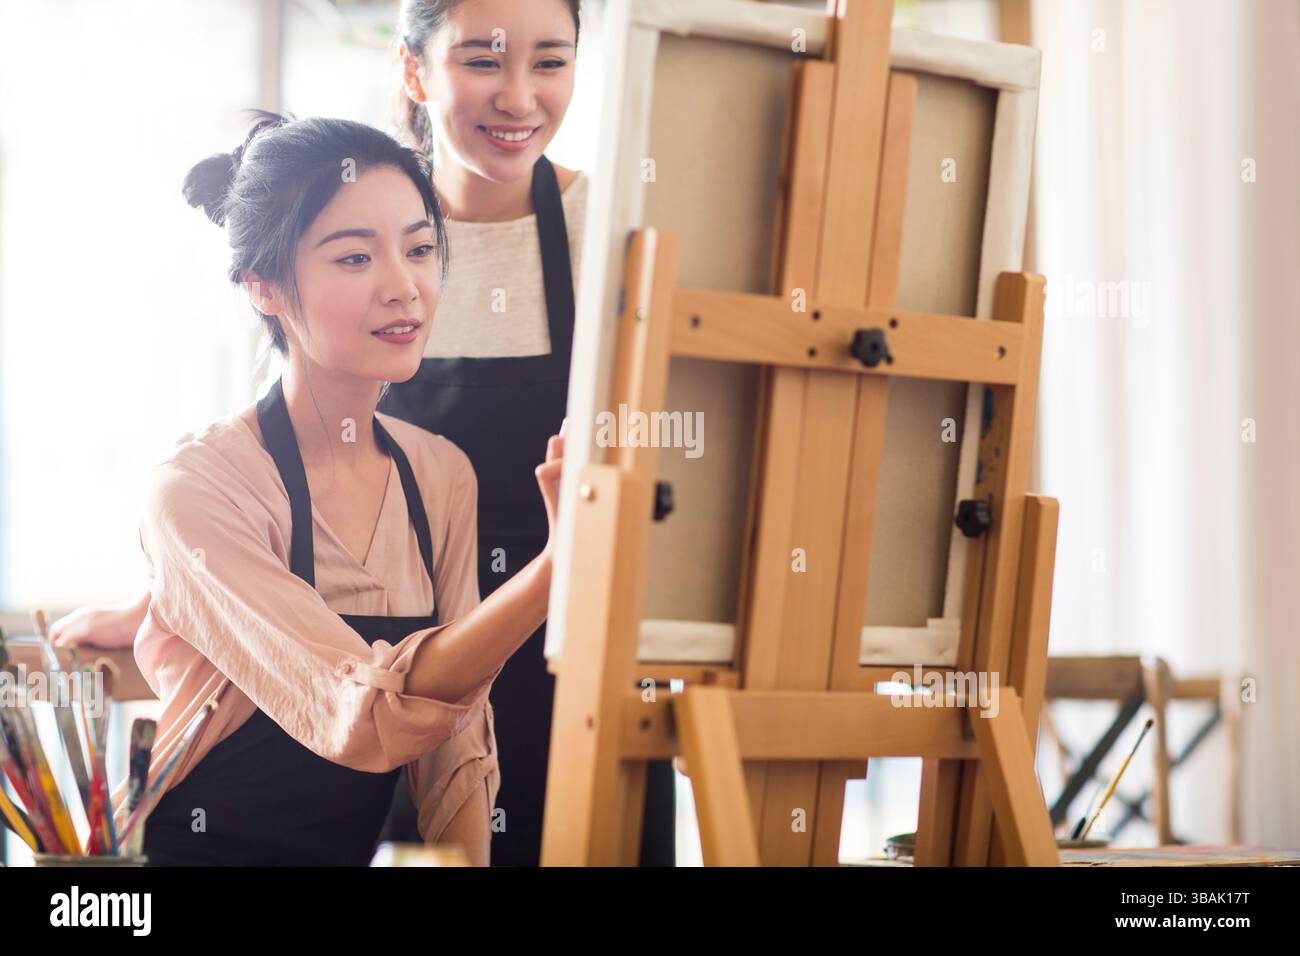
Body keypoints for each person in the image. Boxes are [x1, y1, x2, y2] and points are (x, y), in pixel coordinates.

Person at [106, 111, 563, 866]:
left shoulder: (440, 474)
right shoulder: (197, 487)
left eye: (420, 249)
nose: (404, 287)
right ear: (263, 288)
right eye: (355, 259)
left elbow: (457, 746)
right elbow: (356, 714)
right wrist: (553, 575)